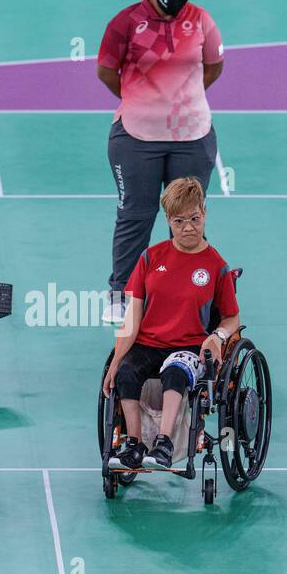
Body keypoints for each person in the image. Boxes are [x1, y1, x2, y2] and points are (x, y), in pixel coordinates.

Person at [97, 0, 224, 326]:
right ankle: (121, 295)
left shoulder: (201, 21)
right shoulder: (127, 22)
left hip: (192, 135)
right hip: (136, 136)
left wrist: (183, 99)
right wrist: (140, 97)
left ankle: (193, 292)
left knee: (188, 218)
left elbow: (214, 67)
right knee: (136, 215)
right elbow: (106, 72)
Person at [102, 177, 240, 470]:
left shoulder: (217, 265)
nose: (188, 227)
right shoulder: (150, 257)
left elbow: (232, 318)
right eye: (179, 221)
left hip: (188, 347)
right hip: (149, 344)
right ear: (167, 219)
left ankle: (164, 445)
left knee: (175, 372)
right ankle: (135, 446)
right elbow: (133, 317)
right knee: (125, 373)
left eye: (194, 218)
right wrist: (116, 359)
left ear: (204, 212)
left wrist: (217, 335)